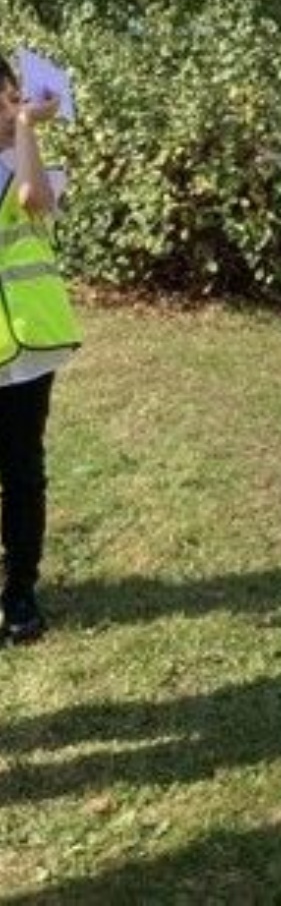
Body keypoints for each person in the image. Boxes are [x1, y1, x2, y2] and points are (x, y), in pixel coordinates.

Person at [0, 55, 81, 645]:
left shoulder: (41, 166)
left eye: (10, 95)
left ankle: (20, 592)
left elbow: (32, 197)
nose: (7, 109)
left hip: (28, 351)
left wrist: (28, 129)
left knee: (23, 474)